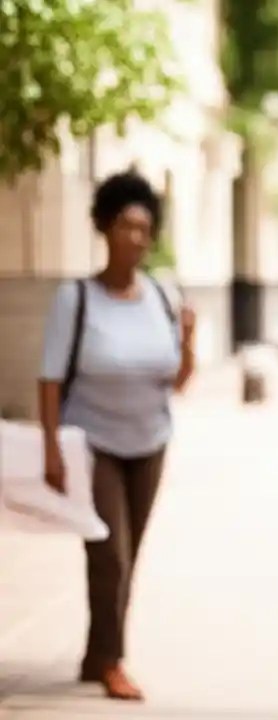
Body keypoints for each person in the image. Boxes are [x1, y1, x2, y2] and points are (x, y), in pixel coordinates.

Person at [37, 169, 196, 701]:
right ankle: (112, 661)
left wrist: (190, 341)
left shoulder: (161, 297)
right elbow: (50, 378)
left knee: (128, 557)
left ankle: (93, 652)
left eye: (145, 229)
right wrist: (51, 450)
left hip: (150, 441)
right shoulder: (76, 298)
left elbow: (177, 380)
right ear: (105, 227)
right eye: (127, 225)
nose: (137, 237)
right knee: (111, 556)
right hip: (93, 444)